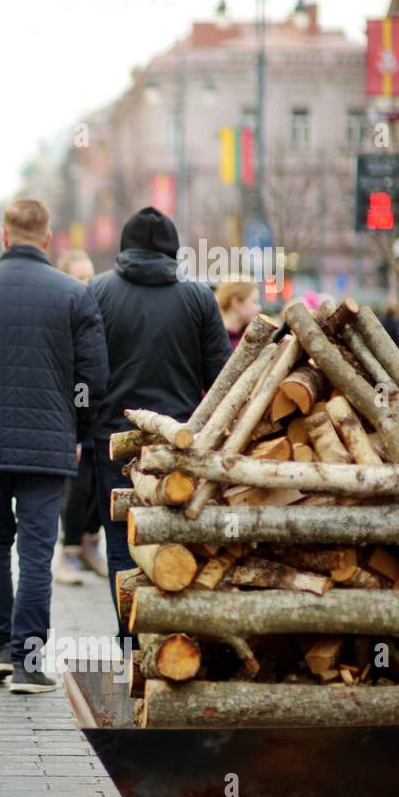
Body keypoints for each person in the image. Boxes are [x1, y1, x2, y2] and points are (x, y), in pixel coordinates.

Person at [0, 199, 108, 694]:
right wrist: (76, 429)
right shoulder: (75, 294)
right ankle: (29, 663)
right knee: (35, 548)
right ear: (47, 239)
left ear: (4, 238)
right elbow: (93, 378)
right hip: (48, 445)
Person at [88, 207, 230, 632]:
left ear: (124, 246)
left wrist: (90, 422)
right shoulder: (198, 297)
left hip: (112, 438)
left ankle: (130, 642)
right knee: (173, 537)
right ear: (174, 249)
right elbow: (221, 376)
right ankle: (169, 632)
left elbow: (86, 371)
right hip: (178, 440)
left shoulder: (97, 292)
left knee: (119, 540)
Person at [54, 250, 108, 586]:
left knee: (98, 487)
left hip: (98, 413)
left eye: (90, 276)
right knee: (76, 487)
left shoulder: (98, 311)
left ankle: (91, 544)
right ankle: (69, 551)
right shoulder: (63, 313)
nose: (87, 283)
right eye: (79, 277)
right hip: (72, 414)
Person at [215, 279, 262, 351]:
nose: (259, 308)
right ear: (236, 302)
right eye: (255, 302)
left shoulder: (250, 337)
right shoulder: (216, 339)